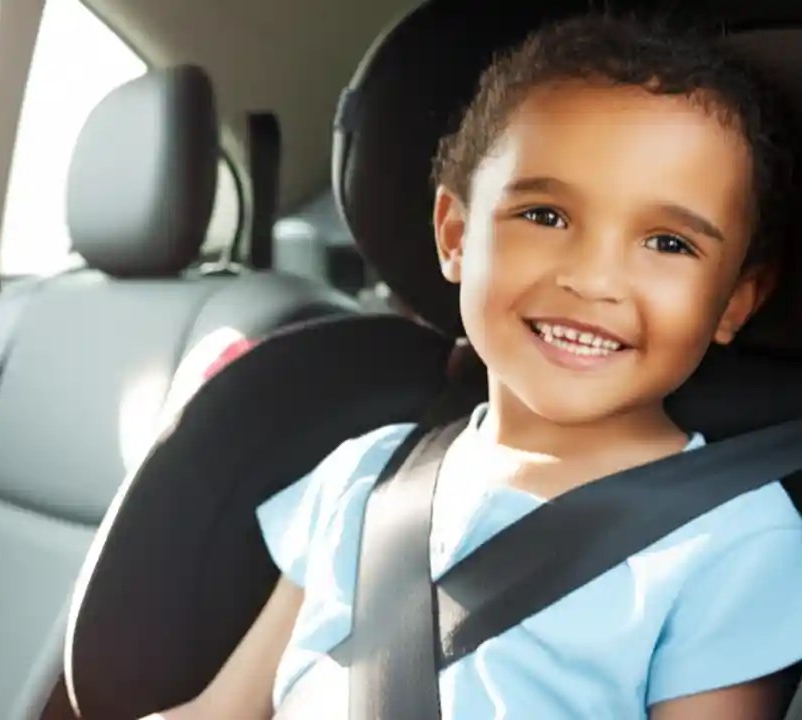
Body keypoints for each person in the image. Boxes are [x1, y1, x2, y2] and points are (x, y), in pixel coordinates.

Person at [147, 13, 802, 719]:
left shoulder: (734, 540)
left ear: (735, 302)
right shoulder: (365, 476)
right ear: (456, 235)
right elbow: (220, 711)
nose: (593, 280)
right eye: (546, 216)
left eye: (669, 243)